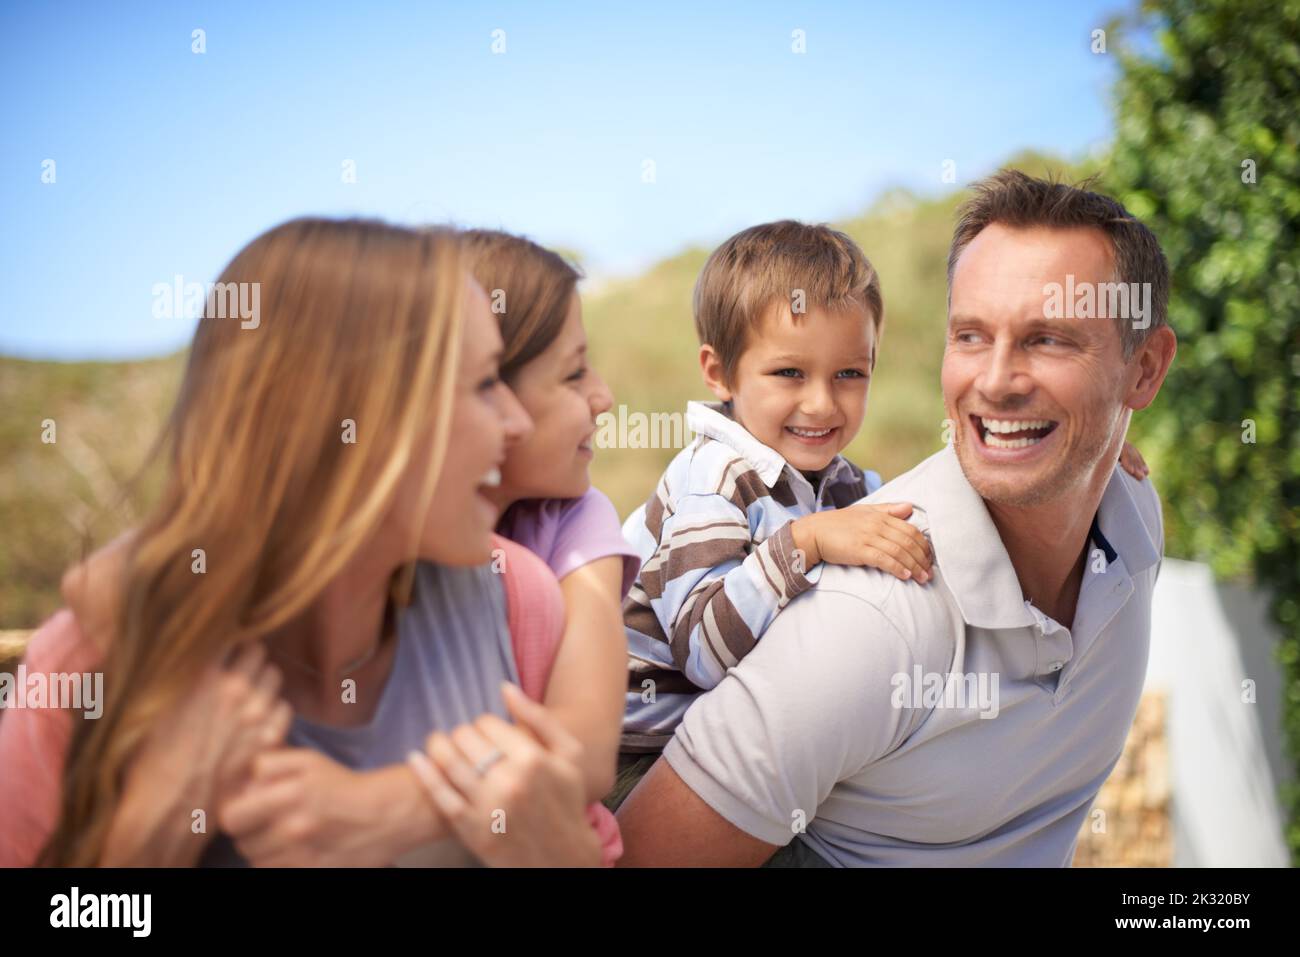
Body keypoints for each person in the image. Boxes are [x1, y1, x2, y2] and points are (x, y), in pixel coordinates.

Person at [615, 170, 1177, 866]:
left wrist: (1090, 439)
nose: (997, 381)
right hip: (628, 749)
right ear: (719, 371)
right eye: (971, 335)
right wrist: (805, 543)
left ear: (1144, 371)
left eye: (1049, 340)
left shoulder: (1132, 519)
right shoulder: (849, 597)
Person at [0, 218, 602, 867]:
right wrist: (153, 828)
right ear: (361, 419)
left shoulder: (516, 597)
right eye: (486, 384)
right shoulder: (90, 660)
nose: (514, 422)